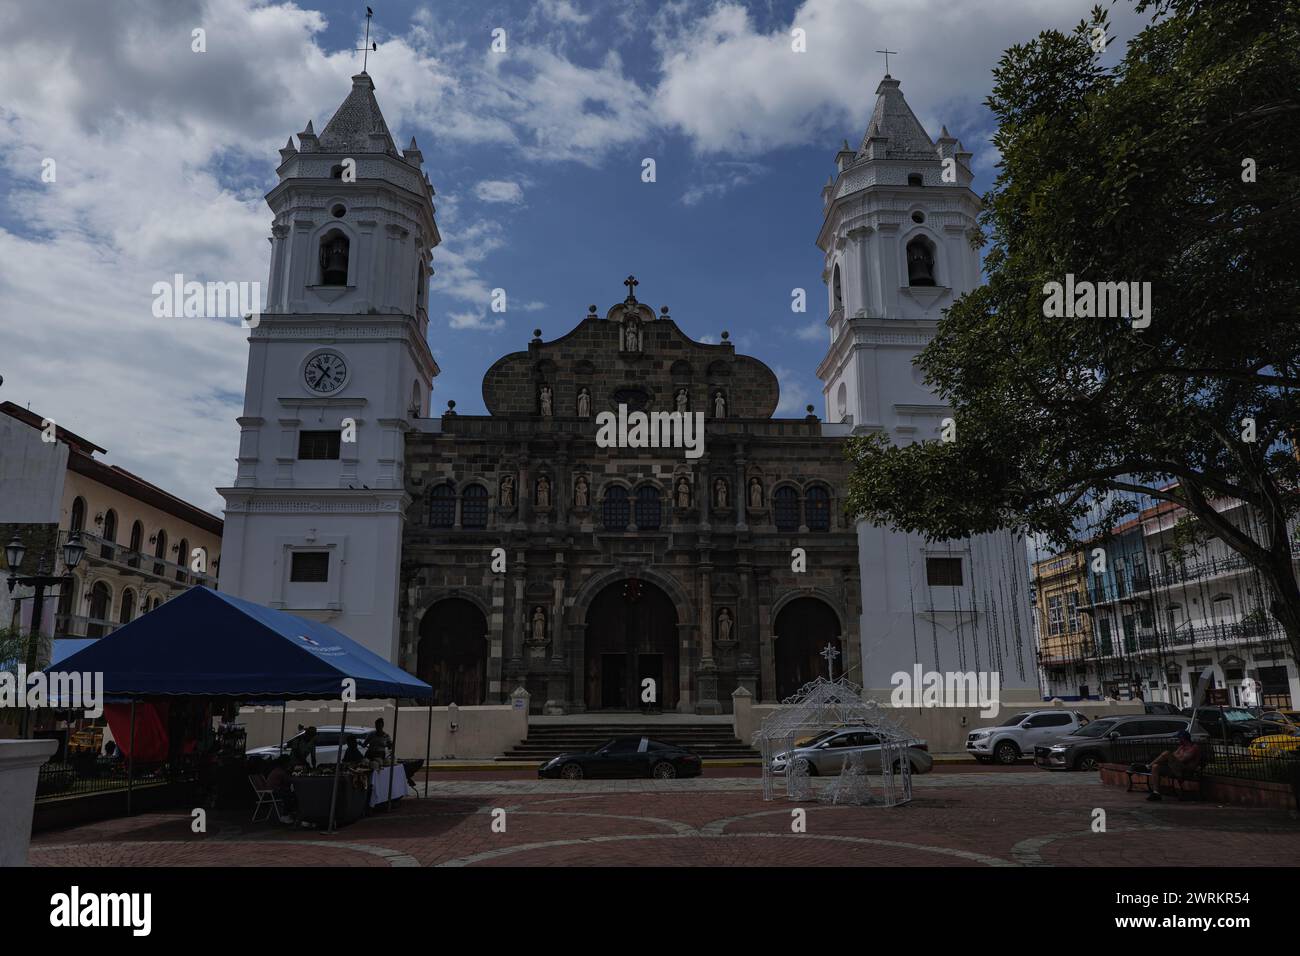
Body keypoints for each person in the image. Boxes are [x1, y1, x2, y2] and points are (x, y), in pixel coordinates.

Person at [1147, 730, 1202, 801]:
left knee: (1166, 753)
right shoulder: (1182, 747)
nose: (1178, 740)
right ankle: (1156, 793)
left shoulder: (1194, 747)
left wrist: (1174, 757)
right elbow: (1175, 756)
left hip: (1186, 770)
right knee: (1155, 767)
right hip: (1175, 768)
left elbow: (1183, 759)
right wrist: (1175, 757)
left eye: (1179, 738)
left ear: (1183, 739)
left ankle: (1148, 766)